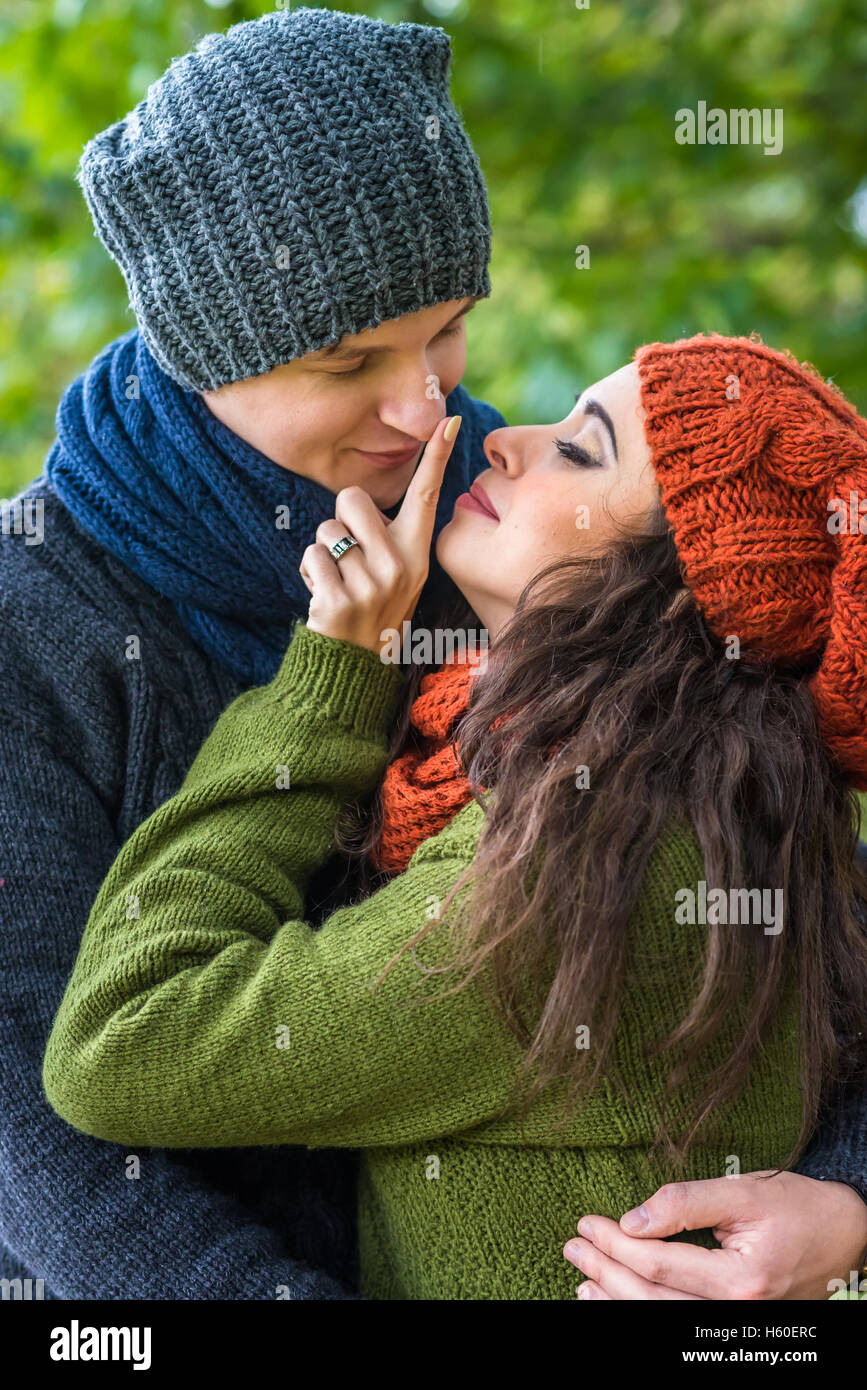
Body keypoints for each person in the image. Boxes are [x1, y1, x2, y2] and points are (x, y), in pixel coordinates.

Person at [44, 334, 867, 1299]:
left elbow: (121, 1043)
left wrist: (326, 687)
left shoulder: (591, 859)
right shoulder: (729, 798)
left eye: (578, 449)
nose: (500, 439)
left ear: (673, 601)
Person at [0, 5, 503, 1300]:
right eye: (351, 359)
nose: (424, 406)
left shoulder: (517, 528)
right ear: (199, 354)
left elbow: (786, 894)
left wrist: (836, 1193)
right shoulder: (31, 614)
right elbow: (36, 1131)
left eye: (447, 327)